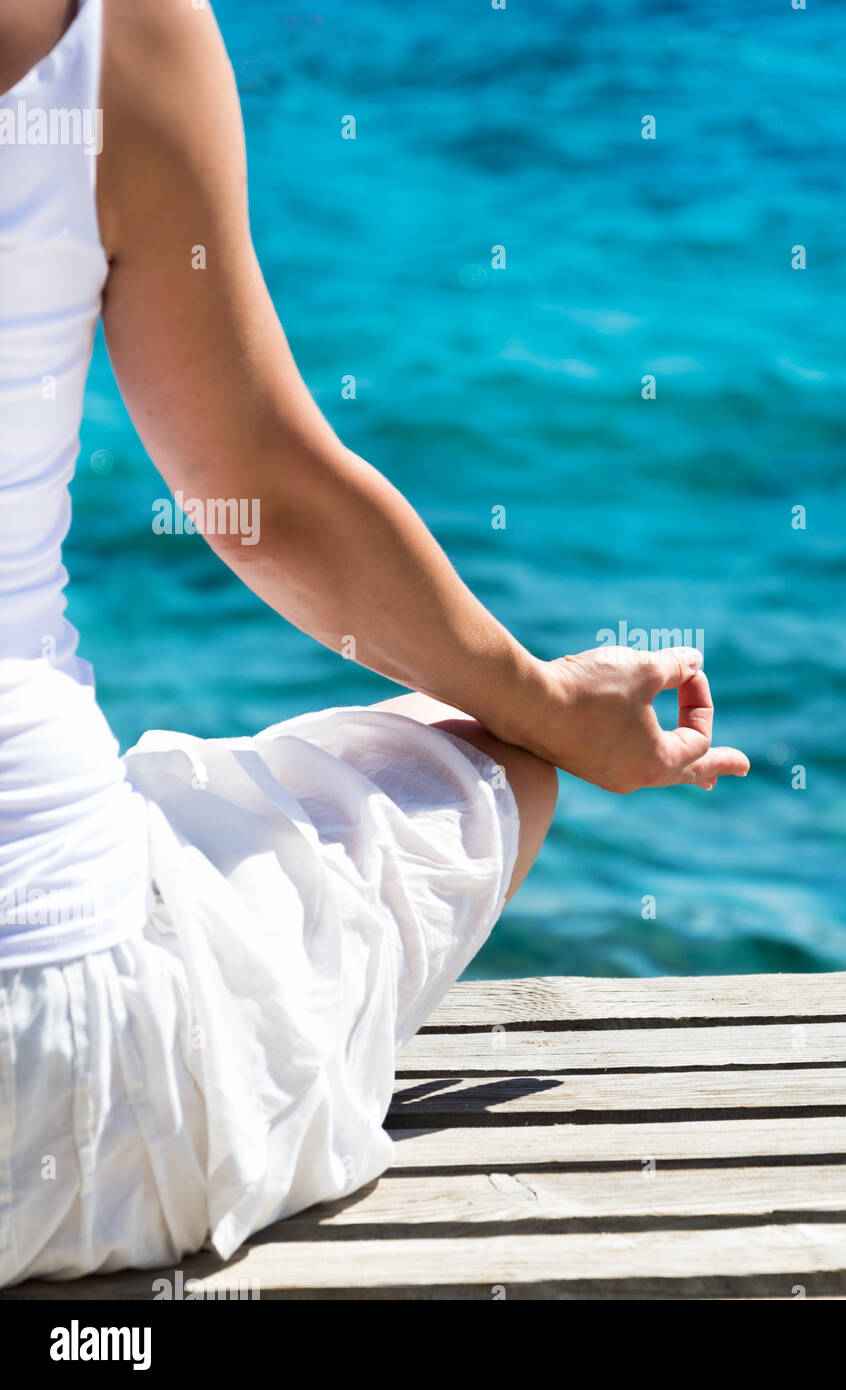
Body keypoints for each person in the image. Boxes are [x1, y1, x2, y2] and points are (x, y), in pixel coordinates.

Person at [0, 0, 748, 1285]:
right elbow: (268, 503)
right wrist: (546, 708)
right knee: (482, 770)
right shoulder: (116, 30)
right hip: (59, 1086)